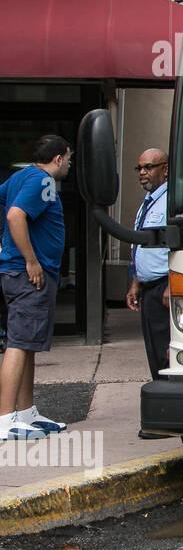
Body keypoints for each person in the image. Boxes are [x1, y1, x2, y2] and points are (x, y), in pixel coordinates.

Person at [0, 135, 73, 439]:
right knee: (18, 343)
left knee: (26, 343)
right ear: (58, 158)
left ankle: (27, 413)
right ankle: (5, 420)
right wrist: (31, 261)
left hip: (18, 273)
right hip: (30, 275)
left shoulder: (19, 177)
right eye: (68, 159)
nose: (69, 165)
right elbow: (15, 215)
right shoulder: (43, 181)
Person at [126, 148, 171, 386]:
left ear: (165, 169)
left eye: (149, 167)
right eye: (139, 168)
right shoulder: (149, 201)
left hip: (165, 288)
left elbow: (179, 247)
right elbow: (142, 246)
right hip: (148, 288)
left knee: (166, 353)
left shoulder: (171, 201)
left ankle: (172, 406)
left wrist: (172, 284)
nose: (142, 173)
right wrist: (136, 282)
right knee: (154, 350)